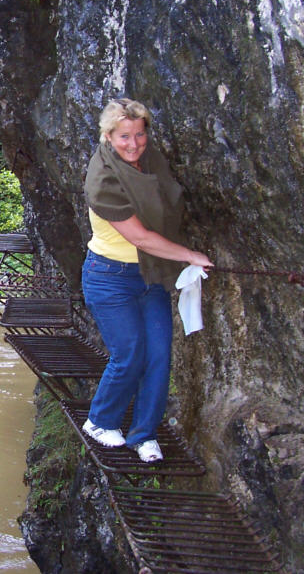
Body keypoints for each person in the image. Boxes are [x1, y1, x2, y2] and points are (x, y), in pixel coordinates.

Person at [81, 98, 212, 463]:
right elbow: (139, 237)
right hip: (110, 279)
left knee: (158, 355)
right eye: (125, 136)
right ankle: (99, 420)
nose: (134, 144)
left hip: (150, 274)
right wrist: (189, 255)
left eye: (140, 134)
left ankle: (144, 434)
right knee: (130, 353)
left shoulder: (149, 160)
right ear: (108, 136)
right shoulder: (103, 179)